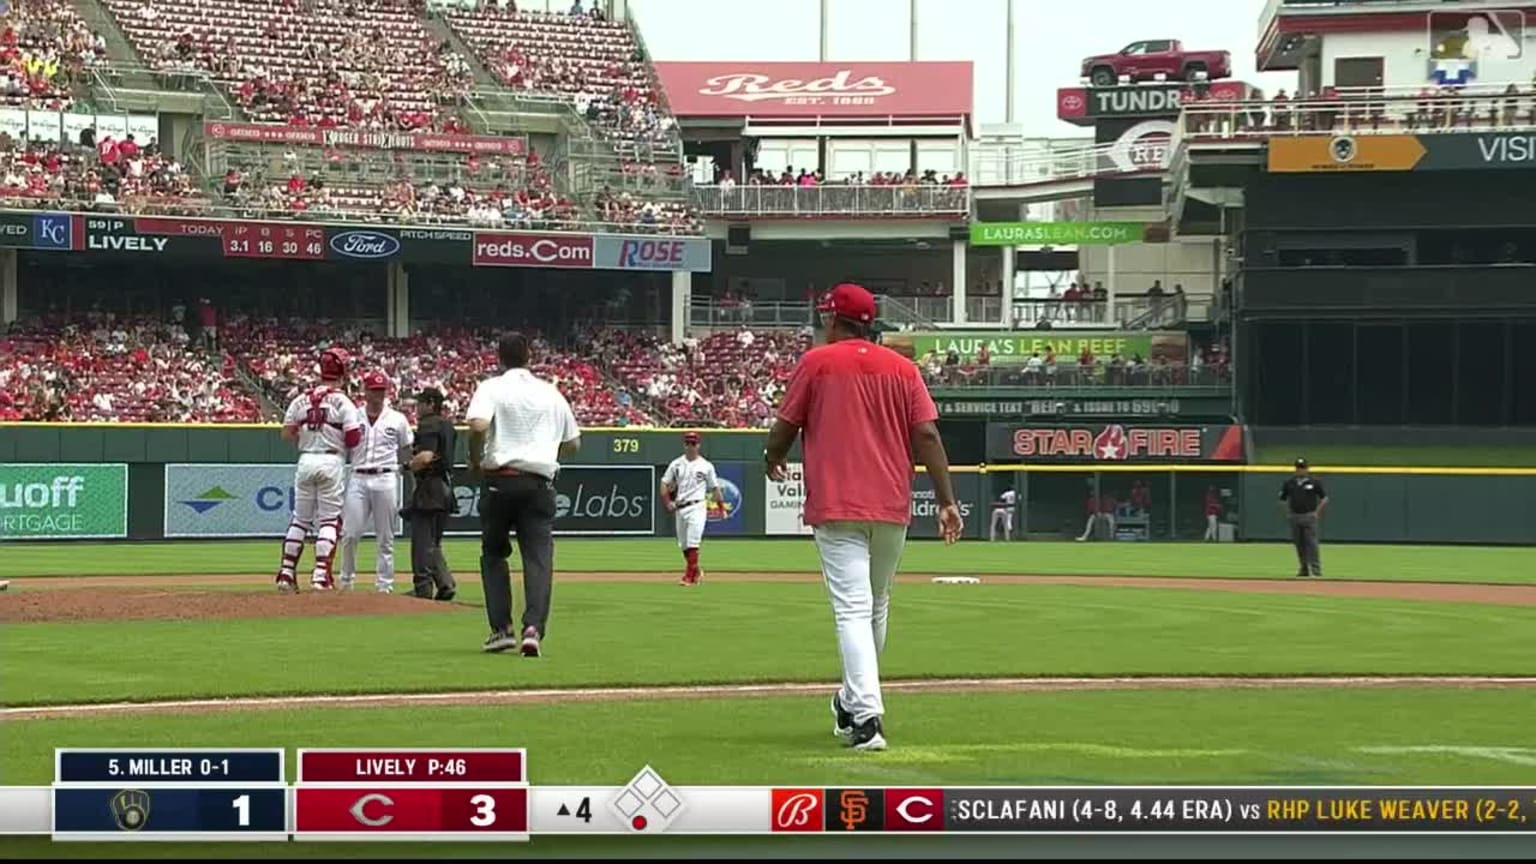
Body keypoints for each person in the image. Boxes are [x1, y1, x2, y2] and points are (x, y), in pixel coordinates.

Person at [764, 282, 963, 753]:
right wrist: (947, 500)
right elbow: (928, 437)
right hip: (891, 504)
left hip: (836, 505)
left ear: (834, 320)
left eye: (824, 317)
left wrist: (771, 456)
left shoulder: (816, 362)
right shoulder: (902, 367)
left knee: (853, 608)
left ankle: (867, 717)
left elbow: (785, 426)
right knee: (875, 605)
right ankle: (851, 700)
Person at [466, 332, 581, 657]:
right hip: (539, 483)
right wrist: (545, 447)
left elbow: (476, 426)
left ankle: (501, 629)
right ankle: (533, 629)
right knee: (538, 558)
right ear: (529, 356)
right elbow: (574, 443)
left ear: (499, 357)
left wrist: (475, 460)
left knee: (493, 554)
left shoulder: (492, 387)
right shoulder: (551, 393)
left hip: (499, 481)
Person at [275, 347, 362, 593]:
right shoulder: (343, 401)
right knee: (329, 521)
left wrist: (308, 438)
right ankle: (320, 576)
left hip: (306, 460)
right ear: (343, 371)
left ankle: (286, 573)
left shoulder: (300, 399)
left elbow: (285, 434)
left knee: (300, 519)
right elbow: (354, 438)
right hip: (331, 461)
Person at [338, 371, 413, 593]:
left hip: (385, 476)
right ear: (365, 390)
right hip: (358, 476)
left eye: (381, 390)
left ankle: (384, 585)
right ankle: (346, 581)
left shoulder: (398, 418)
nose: (377, 395)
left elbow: (406, 448)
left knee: (386, 536)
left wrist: (403, 468)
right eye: (373, 390)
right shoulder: (353, 416)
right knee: (350, 533)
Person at [406, 387, 457, 601]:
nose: (416, 408)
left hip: (429, 488)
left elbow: (425, 457)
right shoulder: (448, 425)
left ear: (429, 403)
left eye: (419, 404)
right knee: (433, 542)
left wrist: (407, 465)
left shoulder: (429, 424)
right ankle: (445, 584)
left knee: (421, 543)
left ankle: (423, 590)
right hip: (445, 487)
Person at [661, 431, 726, 586]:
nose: (690, 446)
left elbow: (715, 488)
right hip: (680, 507)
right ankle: (696, 570)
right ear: (684, 445)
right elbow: (664, 483)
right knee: (683, 545)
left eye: (693, 443)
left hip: (697, 505)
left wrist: (721, 507)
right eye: (688, 443)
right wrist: (667, 501)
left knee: (693, 542)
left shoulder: (706, 466)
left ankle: (689, 577)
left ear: (699, 445)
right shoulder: (676, 464)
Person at [1279, 458, 1328, 577]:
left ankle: (1316, 570)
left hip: (1309, 515)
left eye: (1302, 468)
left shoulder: (1314, 482)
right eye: (1298, 468)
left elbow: (1324, 498)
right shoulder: (1289, 483)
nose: (1300, 470)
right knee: (1299, 544)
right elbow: (1282, 499)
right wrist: (1288, 513)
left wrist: (1317, 512)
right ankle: (1303, 568)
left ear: (1307, 469)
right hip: (1295, 516)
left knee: (1312, 543)